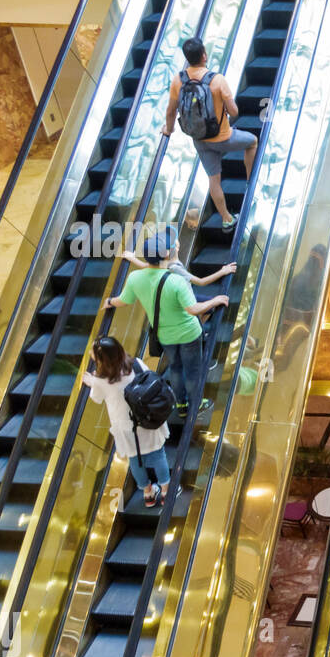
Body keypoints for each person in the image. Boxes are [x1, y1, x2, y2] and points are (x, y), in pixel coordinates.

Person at [103, 233, 229, 418]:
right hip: (188, 334)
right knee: (193, 371)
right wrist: (215, 300)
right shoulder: (176, 280)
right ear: (166, 255)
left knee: (176, 368)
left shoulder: (135, 278)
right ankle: (197, 403)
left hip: (165, 337)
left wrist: (109, 301)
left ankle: (182, 405)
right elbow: (193, 309)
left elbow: (123, 300)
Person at [163, 36, 257, 233]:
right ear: (204, 55)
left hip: (200, 141)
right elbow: (234, 112)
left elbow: (171, 111)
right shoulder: (217, 80)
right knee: (252, 142)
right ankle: (250, 183)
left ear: (187, 58)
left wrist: (168, 130)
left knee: (214, 180)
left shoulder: (178, 81)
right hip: (224, 138)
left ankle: (226, 219)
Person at [81, 336, 170, 507]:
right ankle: (166, 491)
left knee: (135, 460)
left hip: (126, 428)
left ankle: (148, 494)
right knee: (158, 455)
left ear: (102, 360)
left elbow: (97, 398)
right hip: (147, 418)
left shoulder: (101, 380)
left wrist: (92, 382)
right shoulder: (135, 363)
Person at [121, 227, 236, 299]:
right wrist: (223, 271)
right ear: (174, 248)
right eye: (173, 241)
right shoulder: (174, 268)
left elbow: (145, 265)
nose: (176, 240)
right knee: (211, 307)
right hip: (188, 299)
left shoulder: (164, 263)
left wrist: (132, 258)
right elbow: (201, 282)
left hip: (180, 296)